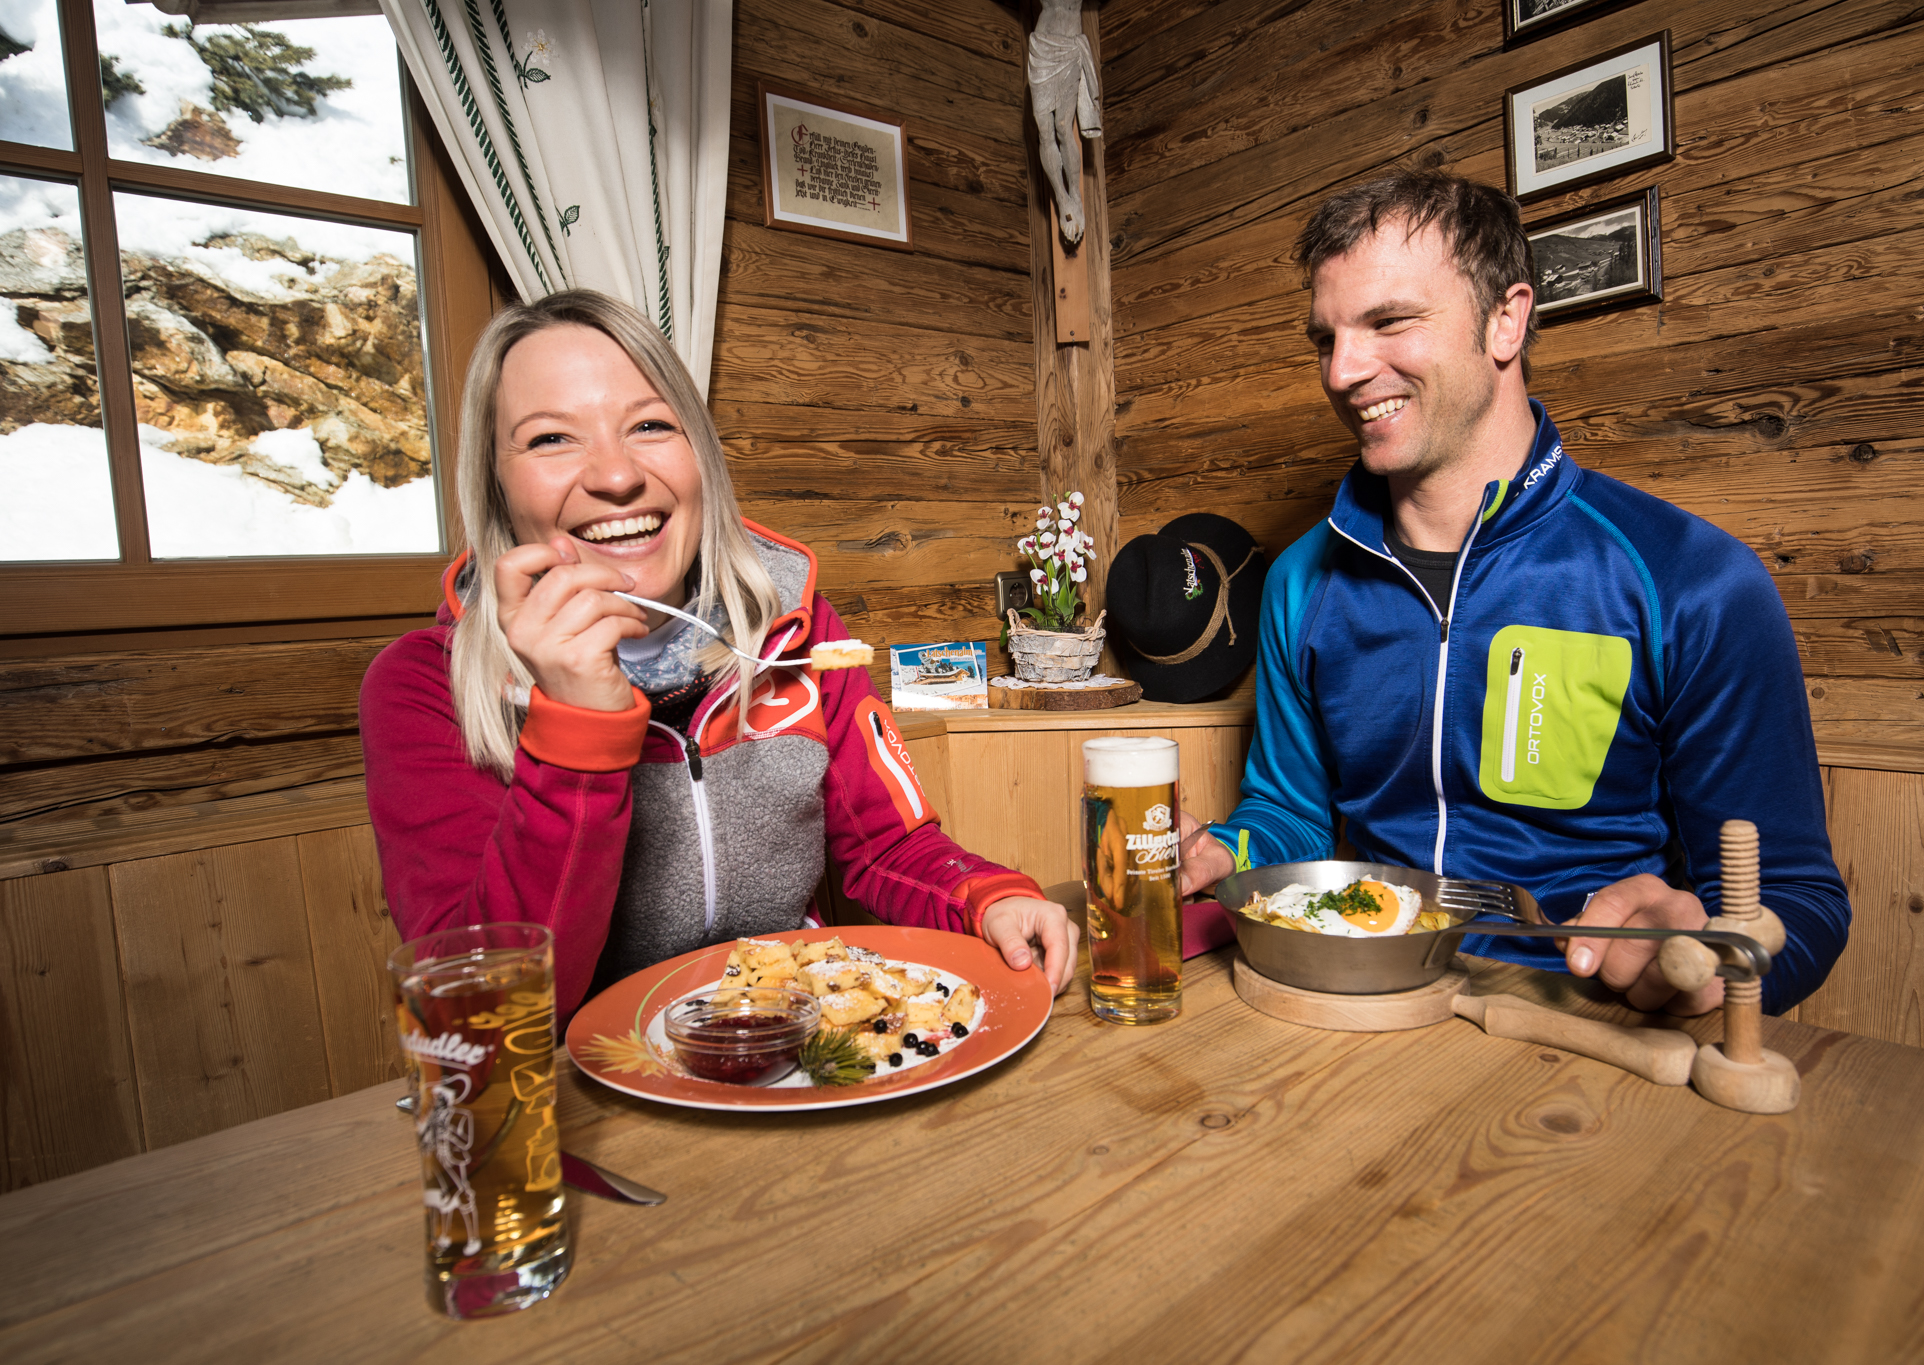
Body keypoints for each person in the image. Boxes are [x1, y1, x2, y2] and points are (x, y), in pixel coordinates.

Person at [1176, 172, 1849, 1015]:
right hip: (1370, 1005)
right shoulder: (1300, 581)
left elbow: (1799, 902)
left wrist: (1701, 965)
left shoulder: (1694, 581)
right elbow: (1291, 819)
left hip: (1592, 1029)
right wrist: (1226, 851)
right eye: (1326, 337)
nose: (1343, 371)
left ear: (1507, 319)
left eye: (1389, 321)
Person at [361, 290, 1078, 1014]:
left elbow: (889, 849)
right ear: (495, 481)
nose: (616, 476)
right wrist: (577, 729)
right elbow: (484, 1010)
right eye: (551, 438)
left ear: (699, 453)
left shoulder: (798, 634)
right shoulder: (422, 686)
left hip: (798, 1046)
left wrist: (985, 898)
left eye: (649, 424)